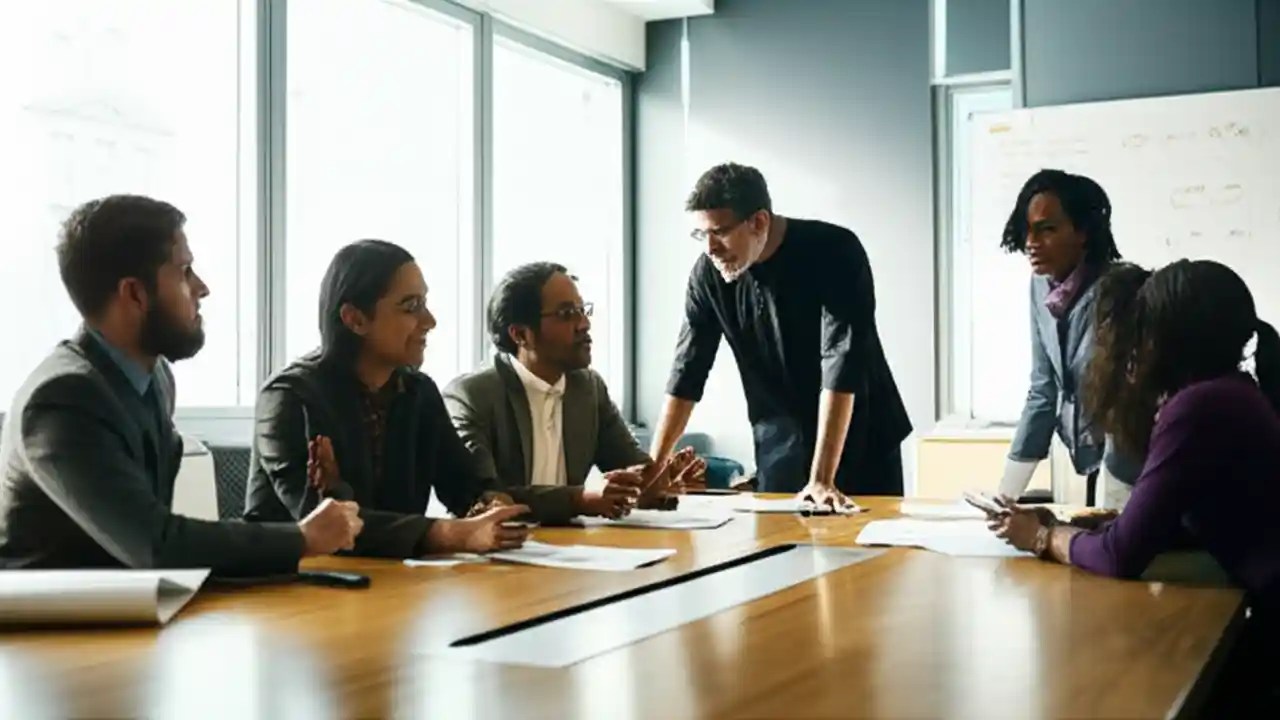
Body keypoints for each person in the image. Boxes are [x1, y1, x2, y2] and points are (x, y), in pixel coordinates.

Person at [0, 195, 361, 574]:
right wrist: (302, 538)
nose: (201, 288)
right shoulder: (62, 399)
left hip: (126, 604)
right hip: (52, 614)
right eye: (185, 271)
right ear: (135, 293)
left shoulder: (153, 377)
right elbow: (155, 544)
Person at [987, 260, 1280, 710]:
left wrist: (1043, 537)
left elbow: (1120, 556)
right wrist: (1095, 525)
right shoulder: (1232, 391)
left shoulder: (1199, 407)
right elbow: (1187, 522)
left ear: (1170, 335)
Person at [245, 240, 532, 557]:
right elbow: (323, 524)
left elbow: (463, 483)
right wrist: (452, 534)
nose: (430, 321)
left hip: (393, 577)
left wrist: (489, 503)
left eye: (425, 303)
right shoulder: (289, 397)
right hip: (299, 580)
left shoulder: (419, 391)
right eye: (411, 307)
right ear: (355, 319)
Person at [650, 162, 911, 508]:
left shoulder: (834, 250)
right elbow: (687, 372)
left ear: (759, 222)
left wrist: (822, 479)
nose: (710, 248)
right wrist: (652, 473)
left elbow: (841, 360)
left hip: (859, 437)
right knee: (781, 539)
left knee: (867, 538)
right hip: (779, 442)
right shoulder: (707, 275)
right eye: (701, 235)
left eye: (720, 232)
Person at [444, 263, 702, 521]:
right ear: (521, 334)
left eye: (583, 310)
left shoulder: (588, 388)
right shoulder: (471, 396)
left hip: (573, 542)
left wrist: (661, 480)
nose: (584, 324)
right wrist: (580, 500)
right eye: (567, 314)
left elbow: (630, 470)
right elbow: (483, 497)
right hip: (503, 543)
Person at [996, 169, 1143, 509]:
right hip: (1077, 454)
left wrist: (1115, 502)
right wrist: (1006, 496)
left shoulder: (1121, 290)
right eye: (1027, 230)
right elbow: (1043, 389)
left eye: (1047, 229)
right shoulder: (1039, 286)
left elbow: (1125, 403)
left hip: (1128, 461)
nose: (1031, 242)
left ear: (1083, 232)